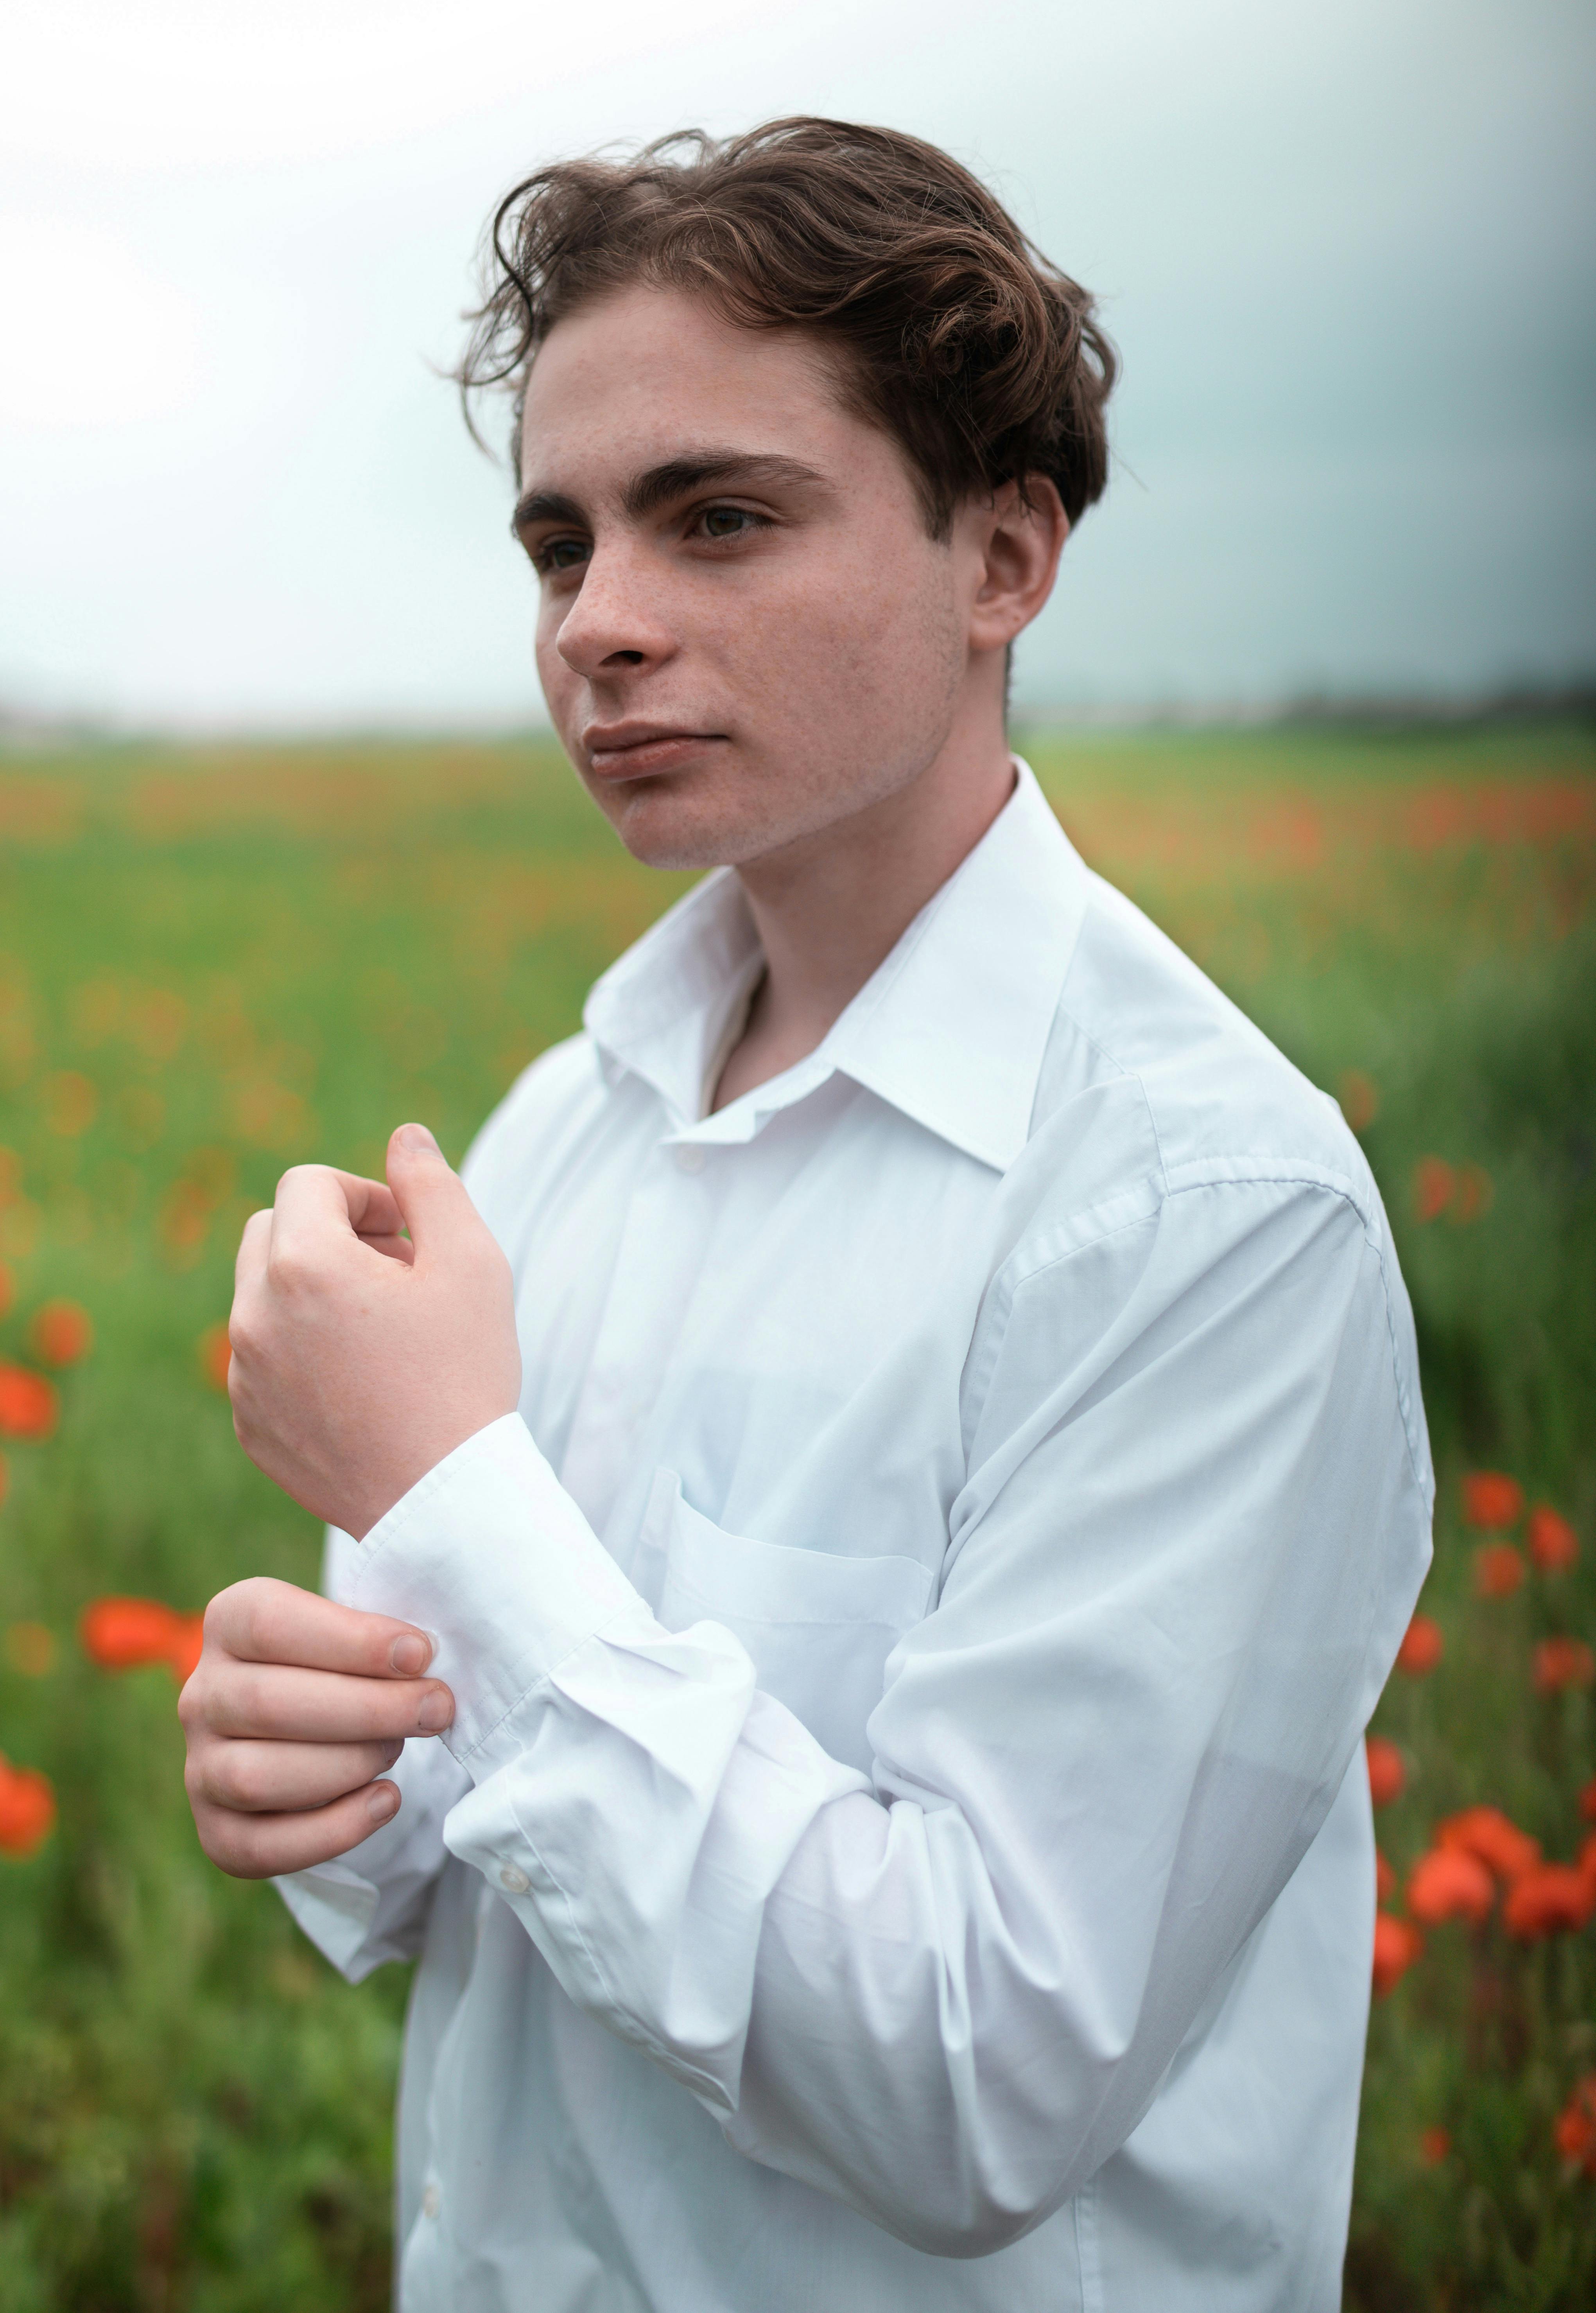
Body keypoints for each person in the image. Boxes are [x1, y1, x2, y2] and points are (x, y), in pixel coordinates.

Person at [179, 119, 1433, 2312]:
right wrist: (321, 1776)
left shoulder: (1203, 1218)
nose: (603, 626)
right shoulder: (562, 1127)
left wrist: (450, 1496)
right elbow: (469, 1827)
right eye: (558, 546)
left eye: (720, 519)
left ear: (1002, 559)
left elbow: (975, 2082)